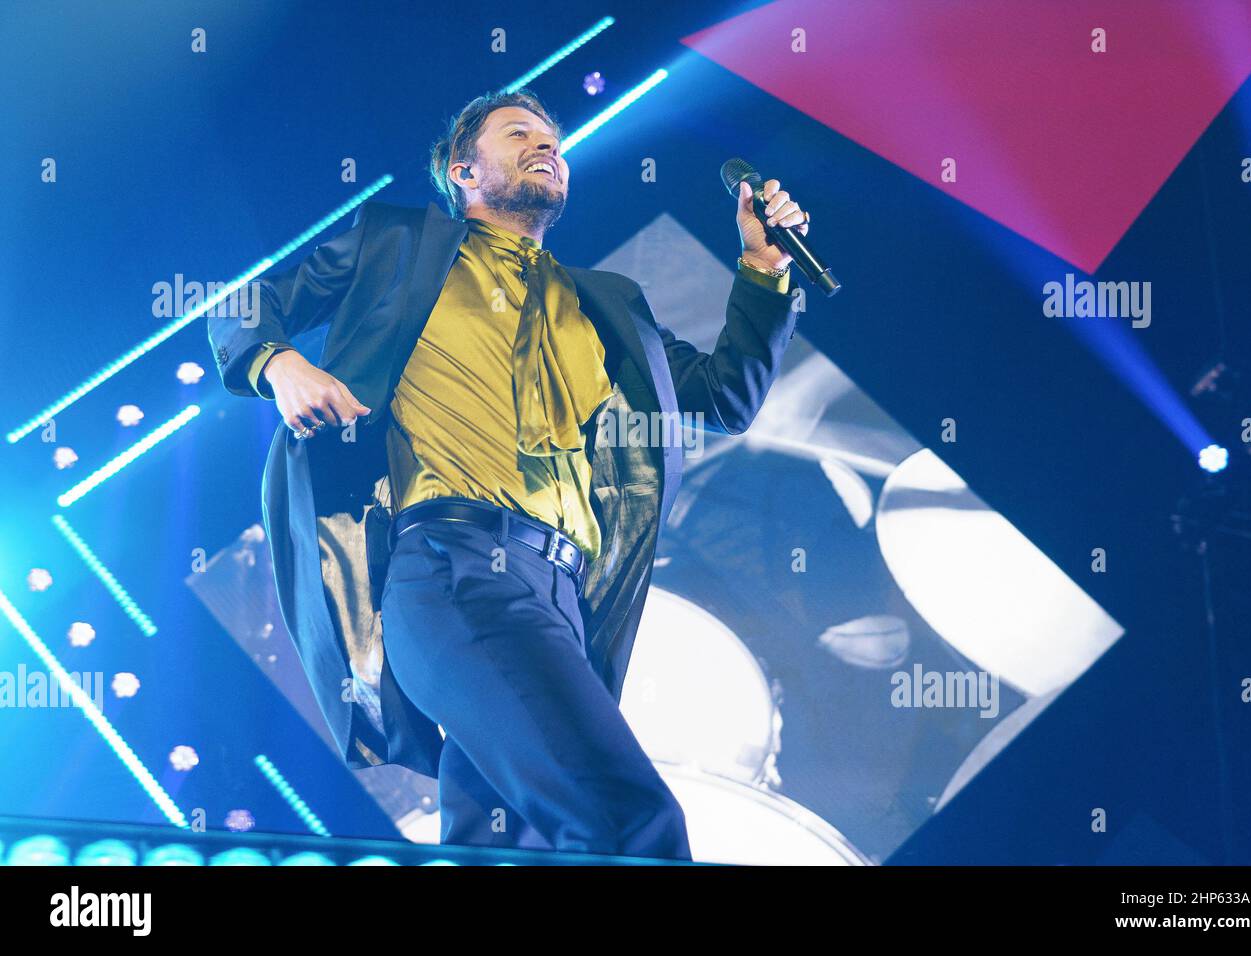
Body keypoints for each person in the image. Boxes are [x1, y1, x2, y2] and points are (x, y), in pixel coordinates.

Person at [208, 89, 808, 859]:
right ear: (465, 170)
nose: (546, 145)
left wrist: (762, 267)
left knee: (500, 846)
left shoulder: (605, 303)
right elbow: (245, 305)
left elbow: (724, 395)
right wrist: (279, 362)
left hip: (565, 602)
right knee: (629, 819)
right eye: (520, 133)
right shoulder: (395, 241)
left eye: (554, 138)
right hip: (456, 569)